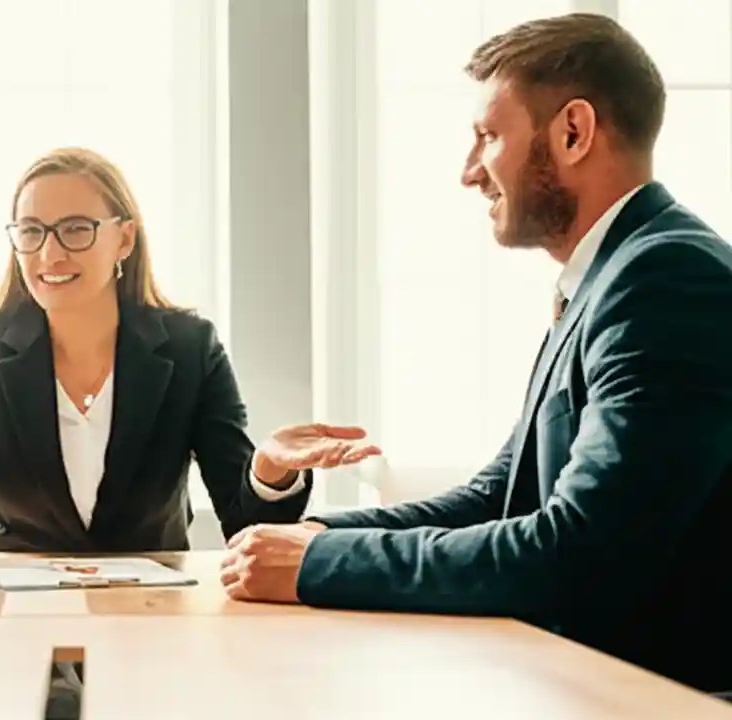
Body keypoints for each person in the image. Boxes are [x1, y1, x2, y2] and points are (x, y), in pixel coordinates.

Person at [220, 13, 732, 694]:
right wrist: (314, 534)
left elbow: (580, 552)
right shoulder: (608, 278)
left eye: (488, 137)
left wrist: (319, 563)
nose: (470, 173)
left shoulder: (665, 281)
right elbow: (498, 497)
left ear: (573, 132)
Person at [0, 147, 380, 559]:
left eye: (76, 228)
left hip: (151, 611)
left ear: (123, 237)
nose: (50, 253)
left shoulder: (188, 346)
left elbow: (247, 527)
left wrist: (270, 469)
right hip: (11, 609)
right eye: (31, 231)